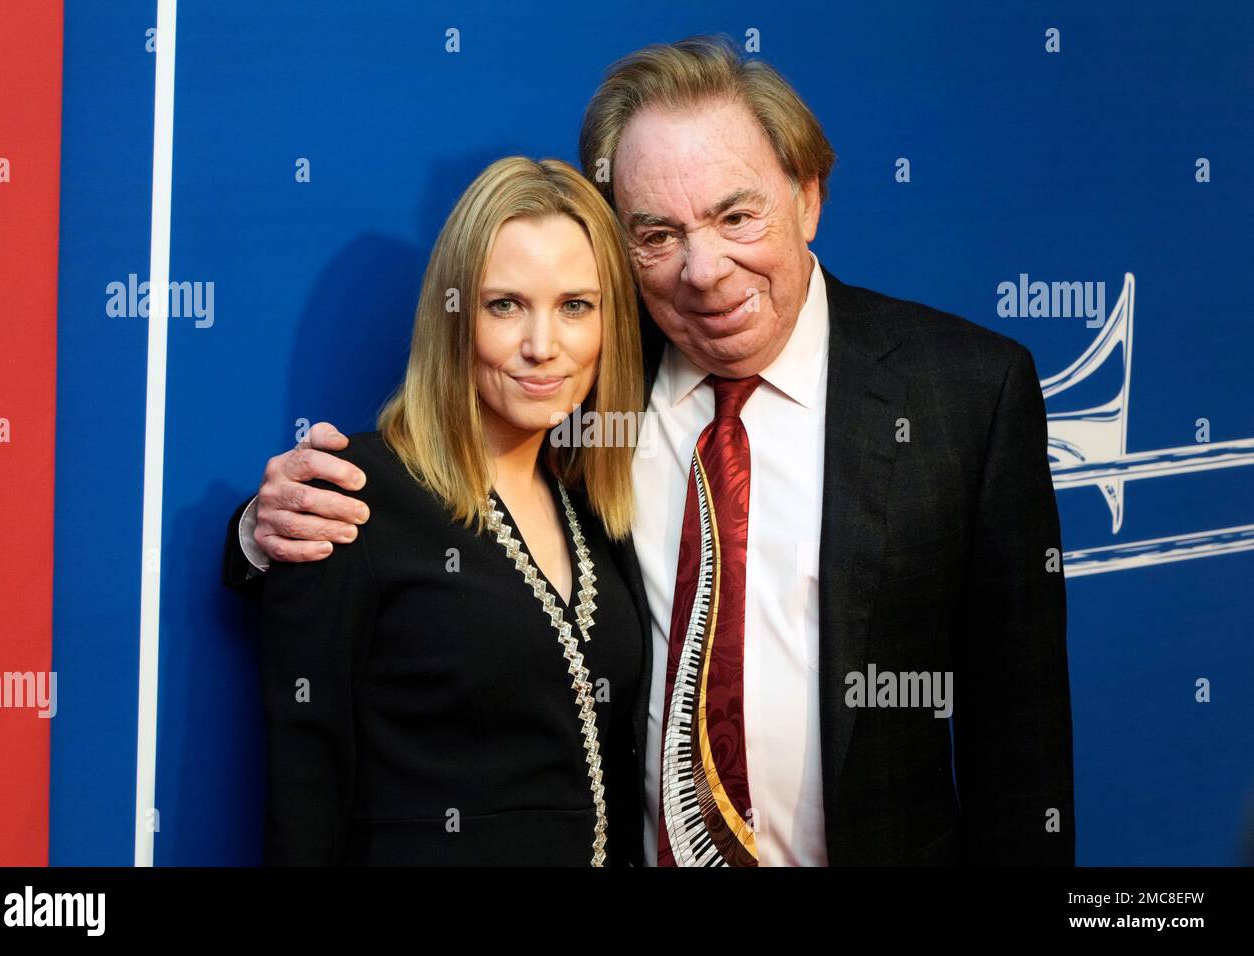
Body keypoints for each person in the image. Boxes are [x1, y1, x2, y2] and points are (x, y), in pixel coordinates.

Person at [225, 36, 1075, 866]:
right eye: (657, 234)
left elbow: (1021, 736)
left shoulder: (963, 391)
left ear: (808, 195)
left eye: (737, 215)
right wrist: (260, 533)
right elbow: (415, 504)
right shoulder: (587, 379)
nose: (703, 271)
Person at [257, 155, 650, 865]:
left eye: (575, 306)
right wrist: (250, 536)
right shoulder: (352, 496)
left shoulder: (593, 506)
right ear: (455, 317)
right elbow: (304, 788)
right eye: (506, 305)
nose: (542, 346)